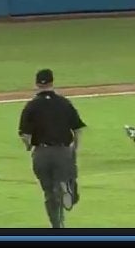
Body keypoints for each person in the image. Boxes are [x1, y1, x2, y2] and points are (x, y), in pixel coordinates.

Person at [18, 69, 86, 228]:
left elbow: (25, 135)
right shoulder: (64, 103)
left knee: (49, 194)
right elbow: (77, 129)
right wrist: (74, 149)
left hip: (41, 154)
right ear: (52, 82)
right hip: (62, 152)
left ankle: (57, 226)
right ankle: (66, 188)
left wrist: (29, 147)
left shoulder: (31, 106)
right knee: (69, 190)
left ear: (36, 84)